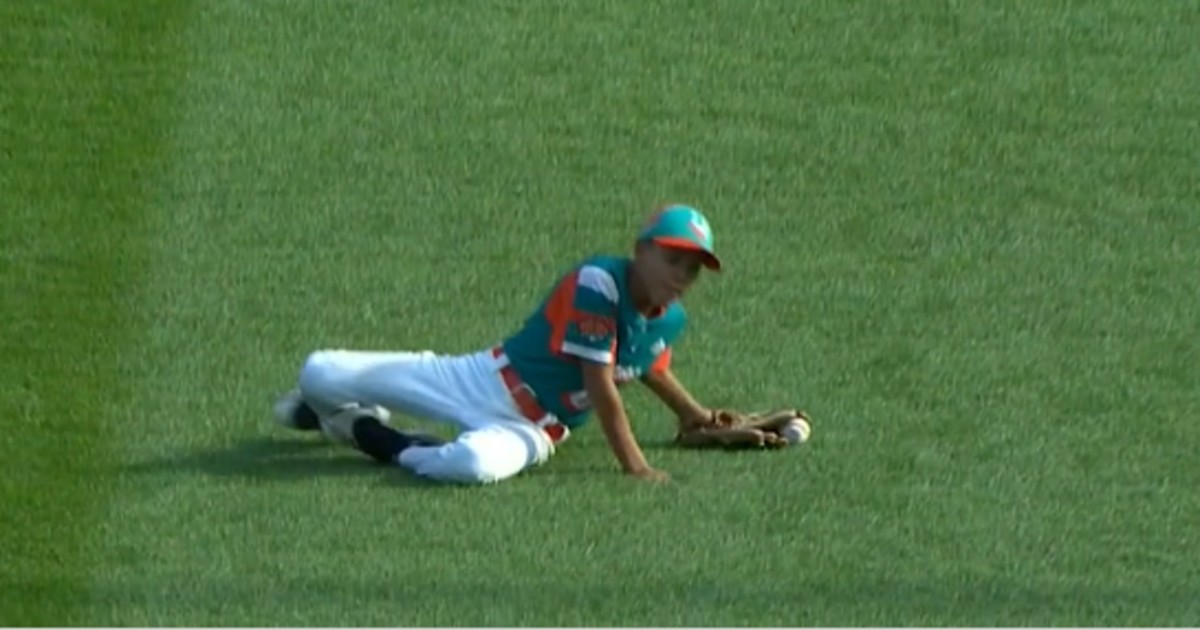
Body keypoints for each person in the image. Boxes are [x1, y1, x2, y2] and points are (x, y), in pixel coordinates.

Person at [272, 203, 722, 484]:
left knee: (471, 466)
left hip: (534, 430)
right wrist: (636, 467)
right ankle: (338, 408)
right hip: (481, 378)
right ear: (640, 250)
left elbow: (652, 366)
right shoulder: (599, 282)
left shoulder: (670, 319)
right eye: (672, 259)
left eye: (692, 269)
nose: (680, 275)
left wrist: (697, 418)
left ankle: (374, 436)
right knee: (319, 371)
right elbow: (601, 385)